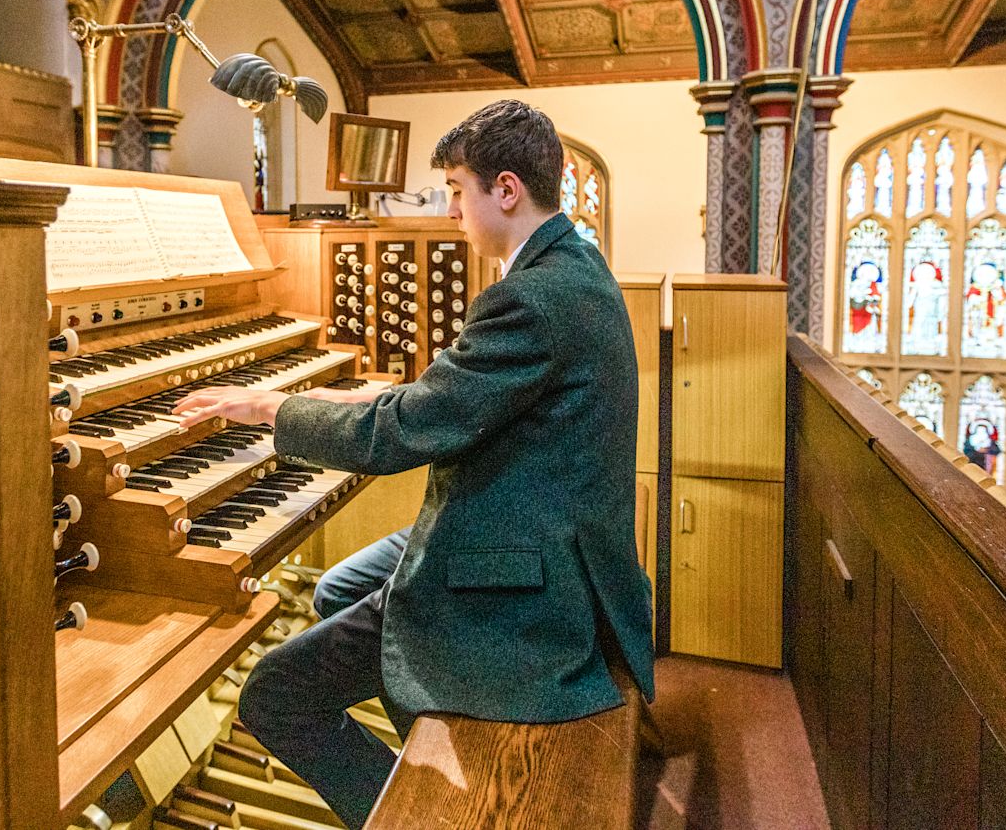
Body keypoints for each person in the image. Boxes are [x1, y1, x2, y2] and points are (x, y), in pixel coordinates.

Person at [173, 99, 654, 829]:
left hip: (528, 582)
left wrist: (271, 409)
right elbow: (464, 395)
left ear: (505, 190)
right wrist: (378, 390)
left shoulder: (530, 297)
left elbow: (400, 434)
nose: (451, 210)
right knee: (337, 587)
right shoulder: (574, 263)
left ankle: (415, 815)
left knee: (273, 693)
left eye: (457, 191)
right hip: (541, 528)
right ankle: (417, 749)